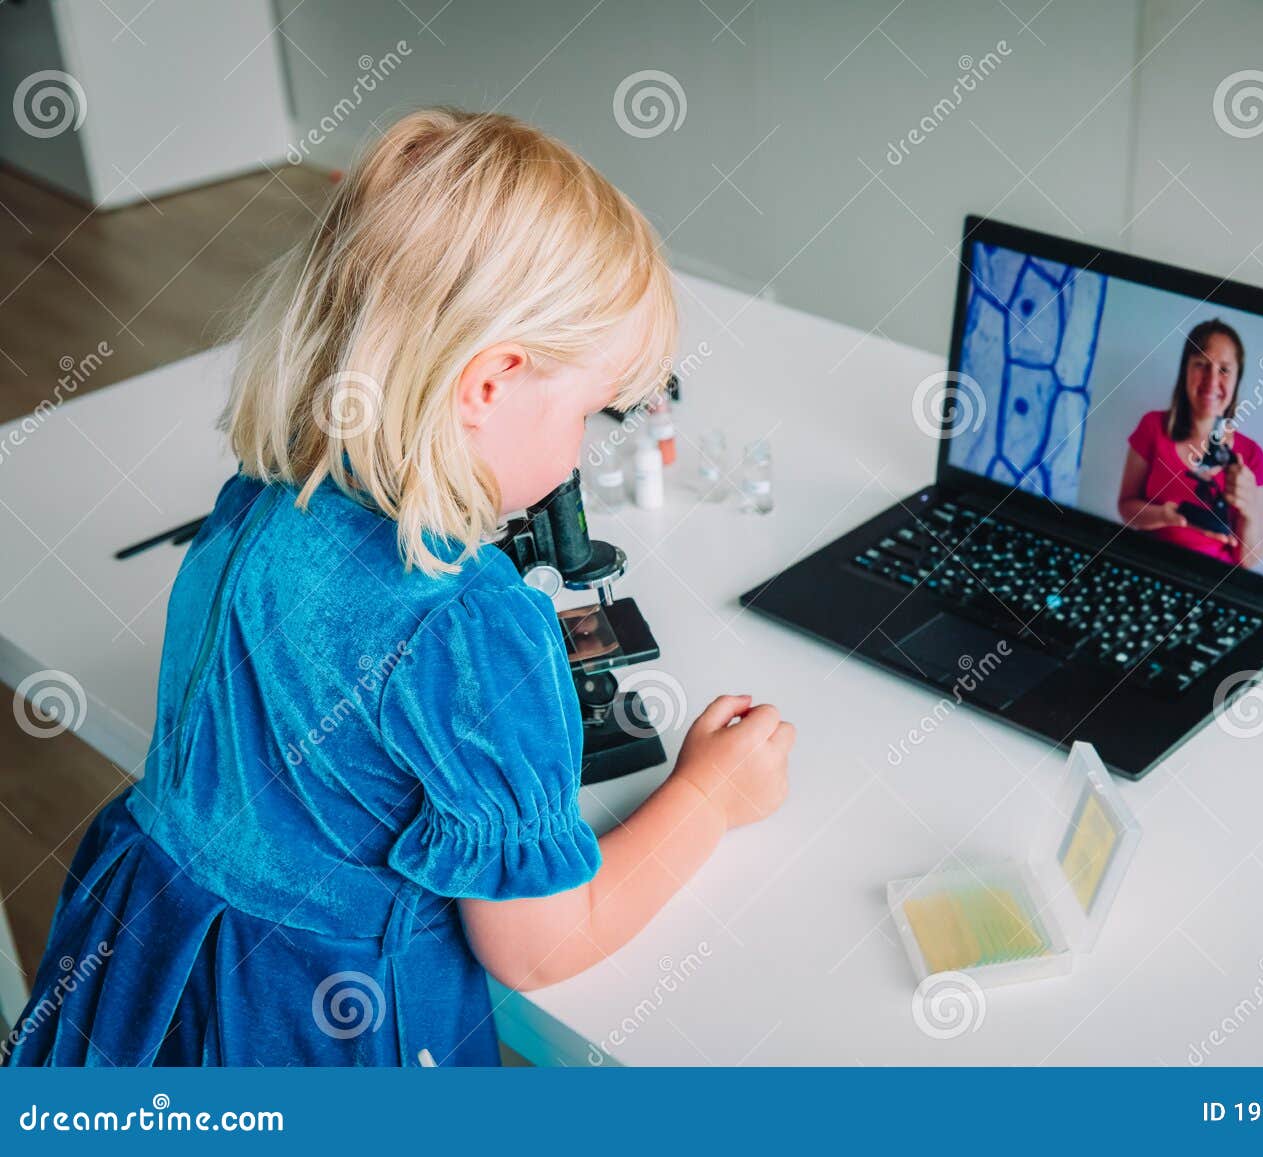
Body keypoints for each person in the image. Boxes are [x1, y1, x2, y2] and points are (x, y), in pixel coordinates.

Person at [2, 109, 793, 1067]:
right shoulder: (474, 628)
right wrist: (709, 794)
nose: (585, 446)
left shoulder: (253, 503)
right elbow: (541, 947)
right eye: (590, 410)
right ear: (489, 384)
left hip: (142, 985)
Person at [1117, 319, 1263, 568]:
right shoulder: (1152, 426)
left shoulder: (1251, 455)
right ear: (1185, 371)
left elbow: (1248, 560)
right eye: (1201, 365)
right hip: (1148, 564)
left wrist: (1250, 511)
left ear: (1237, 379)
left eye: (1224, 369)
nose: (1211, 380)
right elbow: (1126, 508)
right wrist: (1166, 516)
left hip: (1211, 581)